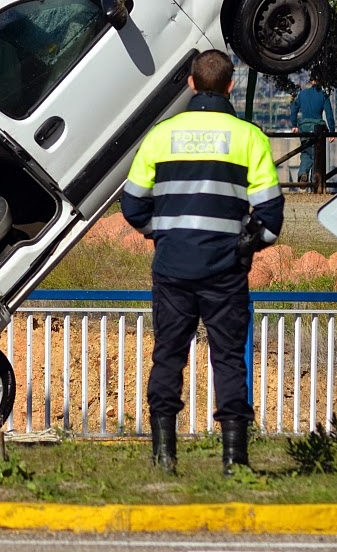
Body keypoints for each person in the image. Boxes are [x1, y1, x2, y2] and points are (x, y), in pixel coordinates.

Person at [121, 49, 283, 475]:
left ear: (191, 84)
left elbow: (132, 205)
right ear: (230, 85)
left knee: (168, 357)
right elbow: (271, 218)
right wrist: (246, 247)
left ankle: (164, 457)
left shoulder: (162, 135)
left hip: (172, 267)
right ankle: (234, 460)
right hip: (225, 271)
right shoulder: (249, 138)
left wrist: (162, 232)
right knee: (228, 359)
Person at [288, 76, 335, 184]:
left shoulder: (302, 94)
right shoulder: (323, 95)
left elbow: (294, 109)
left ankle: (303, 174)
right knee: (317, 154)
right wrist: (332, 131)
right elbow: (329, 114)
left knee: (306, 152)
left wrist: (294, 124)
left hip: (304, 126)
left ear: (311, 81)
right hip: (318, 128)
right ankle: (315, 180)